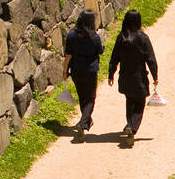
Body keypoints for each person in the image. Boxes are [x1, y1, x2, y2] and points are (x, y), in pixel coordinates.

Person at [107, 9, 159, 146]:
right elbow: (151, 59)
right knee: (140, 103)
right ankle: (132, 127)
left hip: (125, 77)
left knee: (129, 101)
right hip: (139, 77)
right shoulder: (143, 38)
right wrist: (155, 76)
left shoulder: (121, 38)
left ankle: (129, 124)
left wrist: (110, 74)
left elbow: (114, 57)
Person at [63, 9, 103, 142]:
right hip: (90, 71)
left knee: (82, 97)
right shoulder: (95, 37)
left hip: (76, 71)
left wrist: (65, 71)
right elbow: (100, 51)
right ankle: (83, 123)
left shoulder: (72, 35)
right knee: (91, 98)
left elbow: (68, 54)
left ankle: (85, 121)